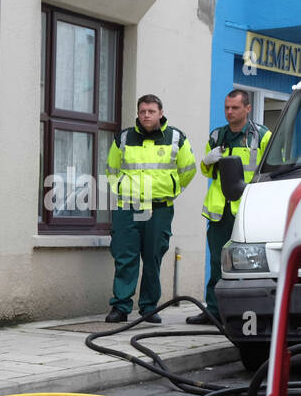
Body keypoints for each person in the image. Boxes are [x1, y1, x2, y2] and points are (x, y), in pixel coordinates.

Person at [104, 94, 197, 323]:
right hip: (128, 207)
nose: (146, 115)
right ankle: (121, 307)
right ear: (138, 113)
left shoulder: (176, 138)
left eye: (151, 111)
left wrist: (172, 189)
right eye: (142, 111)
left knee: (153, 257)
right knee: (125, 257)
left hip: (159, 209)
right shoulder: (124, 138)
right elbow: (111, 170)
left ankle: (148, 309)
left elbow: (188, 170)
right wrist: (122, 189)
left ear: (160, 113)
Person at [189, 89, 271, 324]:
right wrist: (206, 161)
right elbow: (206, 171)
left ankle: (246, 314)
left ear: (247, 108)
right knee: (217, 262)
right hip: (220, 211)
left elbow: (272, 171)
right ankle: (213, 312)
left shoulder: (262, 136)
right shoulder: (217, 136)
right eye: (226, 107)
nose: (229, 112)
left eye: (234, 108)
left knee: (249, 264)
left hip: (247, 211)